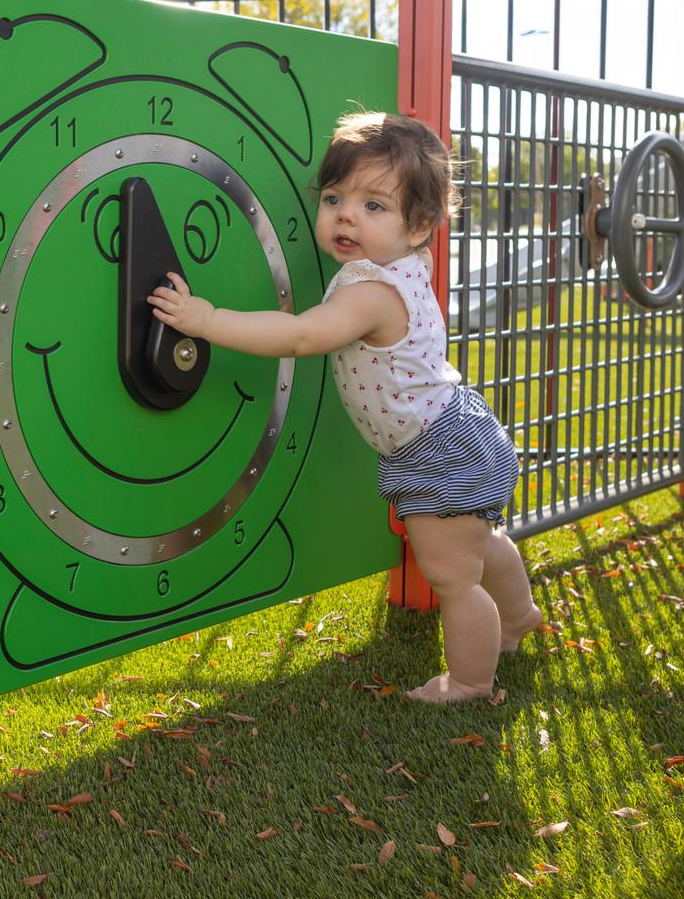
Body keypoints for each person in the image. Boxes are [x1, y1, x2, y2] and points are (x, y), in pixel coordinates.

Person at [149, 112, 544, 703]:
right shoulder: (404, 266)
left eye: (373, 205)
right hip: (458, 428)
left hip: (437, 449)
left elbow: (302, 335)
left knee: (453, 576)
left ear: (420, 226)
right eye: (334, 198)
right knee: (478, 542)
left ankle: (469, 680)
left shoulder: (371, 293)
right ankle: (519, 616)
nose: (346, 216)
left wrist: (206, 320)